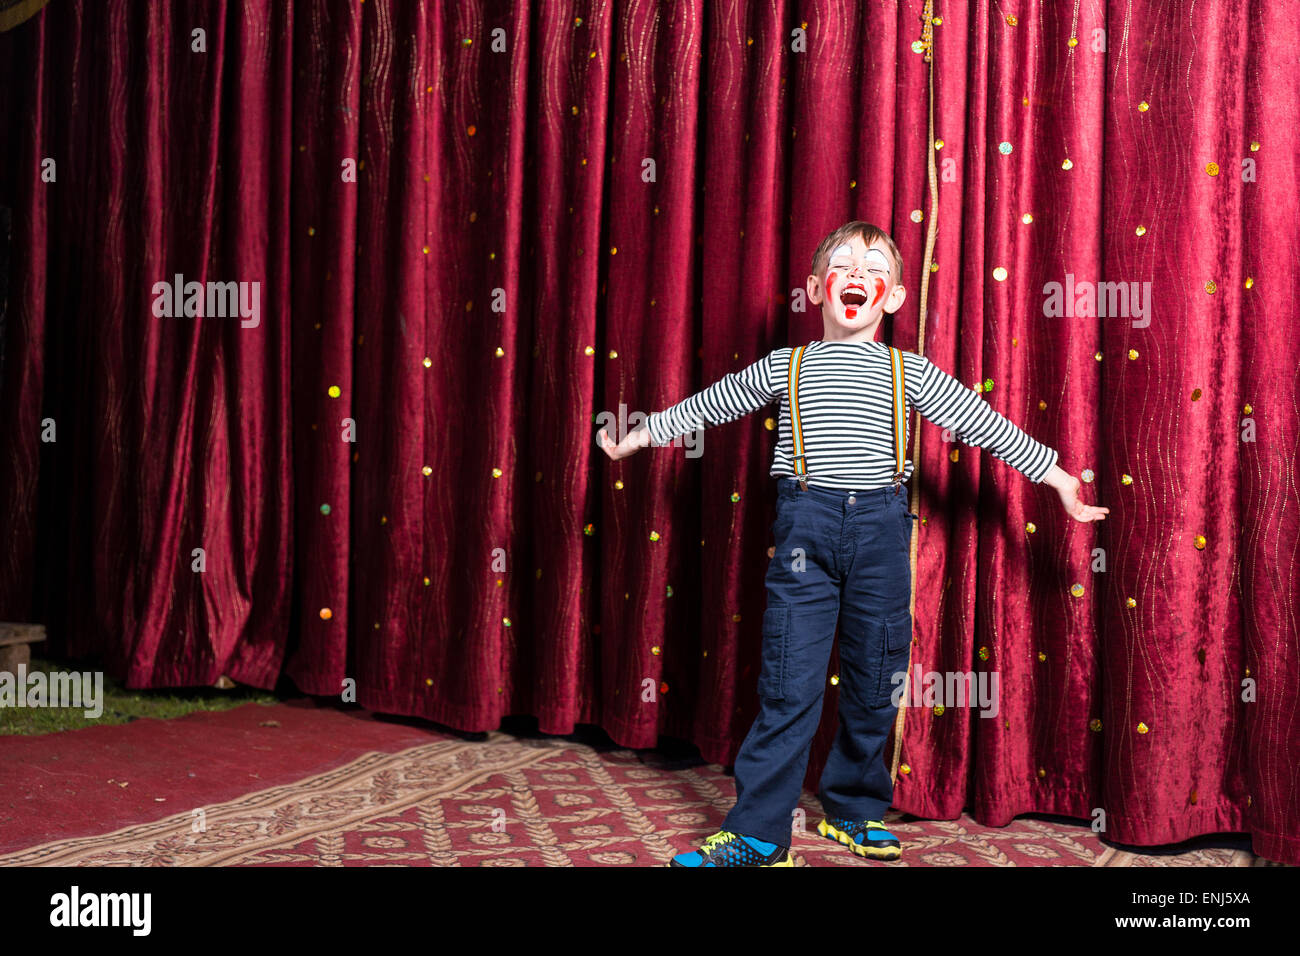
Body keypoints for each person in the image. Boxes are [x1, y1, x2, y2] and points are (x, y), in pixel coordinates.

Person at [597, 221, 1108, 867]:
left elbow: (984, 423)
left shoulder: (909, 371)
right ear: (816, 289)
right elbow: (709, 405)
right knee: (788, 682)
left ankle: (852, 810)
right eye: (843, 264)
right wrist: (638, 437)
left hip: (881, 534)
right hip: (804, 534)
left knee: (876, 680)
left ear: (892, 297)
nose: (858, 275)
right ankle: (759, 835)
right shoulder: (786, 364)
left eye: (874, 268)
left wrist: (1058, 477)